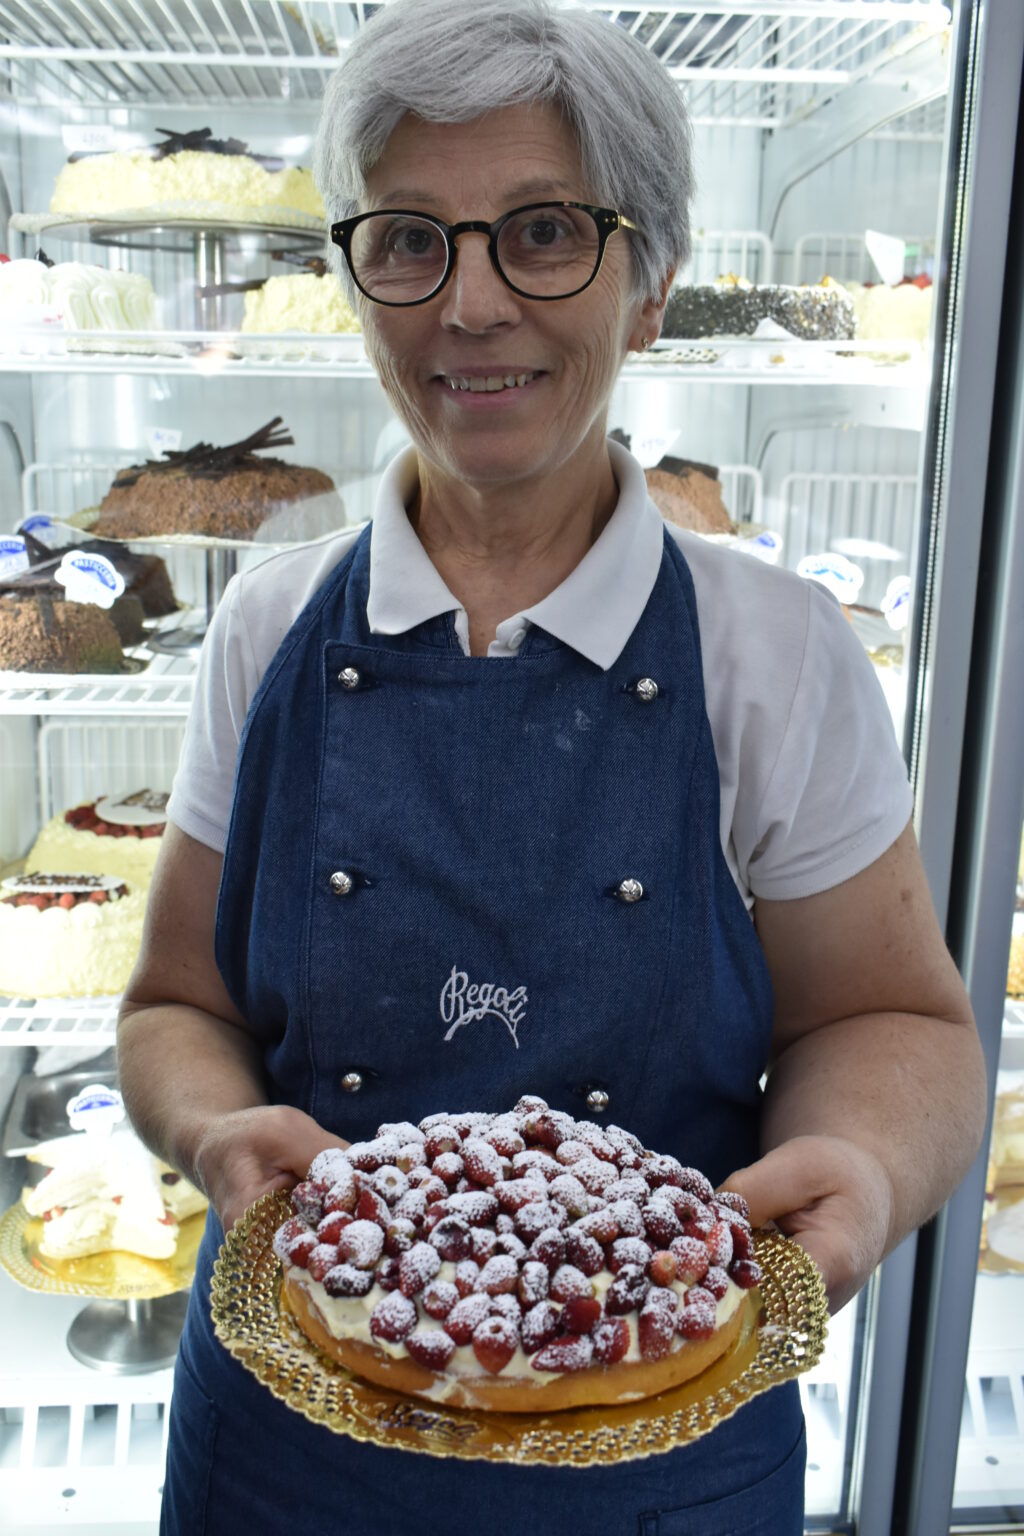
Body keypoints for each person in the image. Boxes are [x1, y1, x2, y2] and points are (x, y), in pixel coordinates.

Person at [117, 1, 987, 1531]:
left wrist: (855, 1160)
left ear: (648, 286)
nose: (469, 306)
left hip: (661, 1444)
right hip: (283, 1452)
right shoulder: (267, 625)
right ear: (359, 280)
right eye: (409, 240)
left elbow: (891, 1017)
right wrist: (207, 1125)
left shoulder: (773, 649)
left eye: (541, 233)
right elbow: (179, 1005)